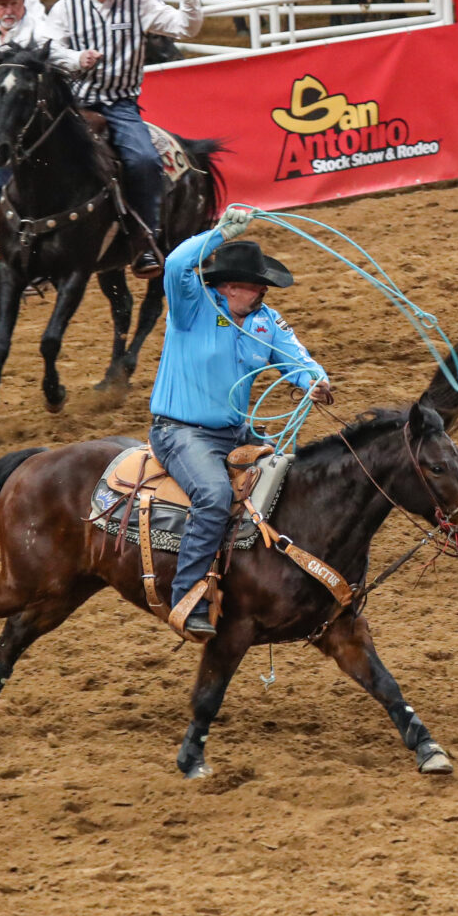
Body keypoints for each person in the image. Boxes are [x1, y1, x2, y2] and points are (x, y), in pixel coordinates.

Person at [148, 208, 333, 641]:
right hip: (181, 431)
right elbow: (175, 264)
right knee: (212, 496)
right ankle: (186, 597)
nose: (264, 291)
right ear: (232, 286)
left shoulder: (266, 322)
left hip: (234, 432)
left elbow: (297, 360)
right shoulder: (191, 305)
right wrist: (217, 234)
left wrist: (314, 381)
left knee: (291, 478)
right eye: (257, 285)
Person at [45, 0, 203, 278]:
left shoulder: (138, 3)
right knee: (33, 149)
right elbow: (49, 48)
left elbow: (185, 28)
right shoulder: (66, 8)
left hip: (119, 104)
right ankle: (16, 229)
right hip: (75, 102)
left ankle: (145, 241)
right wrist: (76, 58)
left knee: (145, 160)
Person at [0, 0, 97, 257]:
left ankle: (0, 221)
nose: (8, 10)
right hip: (6, 110)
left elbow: (59, 52)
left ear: (23, 1)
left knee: (11, 159)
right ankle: (2, 220)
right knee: (4, 156)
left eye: (13, 3)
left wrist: (78, 58)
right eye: (2, 4)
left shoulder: (38, 28)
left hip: (37, 114)